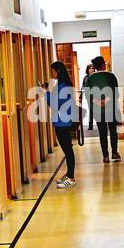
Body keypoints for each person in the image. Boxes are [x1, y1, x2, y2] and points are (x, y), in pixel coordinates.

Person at [45, 59, 78, 188]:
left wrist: (46, 93)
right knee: (66, 150)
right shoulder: (61, 85)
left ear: (58, 71)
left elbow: (54, 104)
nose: (51, 73)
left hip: (63, 122)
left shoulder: (64, 86)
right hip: (60, 122)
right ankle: (69, 174)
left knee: (68, 150)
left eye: (52, 71)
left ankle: (71, 177)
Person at [86, 54, 121, 162]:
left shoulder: (90, 78)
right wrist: (106, 101)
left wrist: (98, 102)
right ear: (103, 65)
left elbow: (88, 95)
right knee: (113, 131)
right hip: (111, 108)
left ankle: (105, 156)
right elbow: (116, 93)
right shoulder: (111, 76)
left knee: (102, 132)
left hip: (97, 110)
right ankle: (114, 153)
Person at [82, 62, 95, 131]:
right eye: (90, 68)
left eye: (93, 68)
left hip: (97, 96)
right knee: (91, 111)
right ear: (87, 70)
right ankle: (90, 125)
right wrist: (81, 95)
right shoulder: (85, 77)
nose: (91, 70)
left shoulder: (96, 76)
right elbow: (83, 86)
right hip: (89, 96)